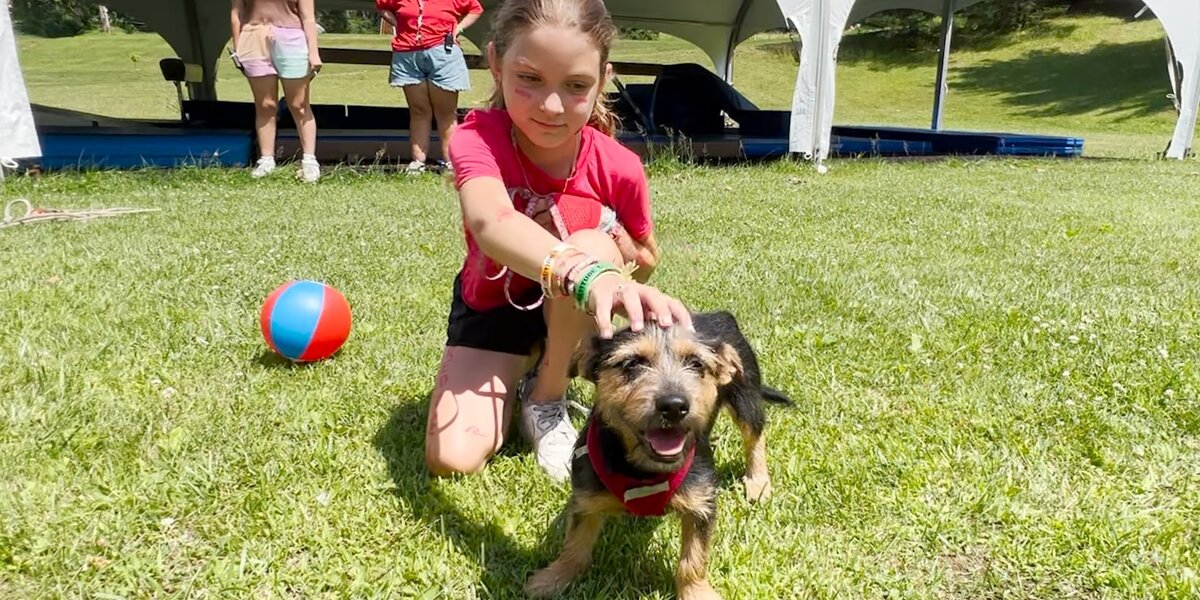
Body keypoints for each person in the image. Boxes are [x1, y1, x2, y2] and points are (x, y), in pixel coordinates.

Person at [425, 0, 693, 483]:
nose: (551, 106)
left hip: (574, 317)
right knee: (453, 459)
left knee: (594, 242)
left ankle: (546, 395)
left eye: (575, 86)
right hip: (492, 306)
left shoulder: (619, 166)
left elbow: (646, 255)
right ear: (495, 62)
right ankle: (522, 364)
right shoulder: (476, 138)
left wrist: (606, 243)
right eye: (529, 79)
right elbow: (490, 221)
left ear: (603, 79)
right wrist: (581, 271)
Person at [376, 0, 482, 175]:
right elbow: (382, 6)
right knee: (418, 111)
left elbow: (475, 8)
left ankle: (451, 162)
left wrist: (458, 29)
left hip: (443, 54)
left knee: (446, 112)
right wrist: (398, 24)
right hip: (407, 54)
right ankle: (418, 161)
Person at [229, 0, 322, 183]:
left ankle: (309, 160)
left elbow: (308, 17)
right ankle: (266, 160)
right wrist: (238, 46)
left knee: (299, 105)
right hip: (252, 37)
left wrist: (313, 52)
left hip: (292, 39)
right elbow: (236, 12)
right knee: (265, 105)